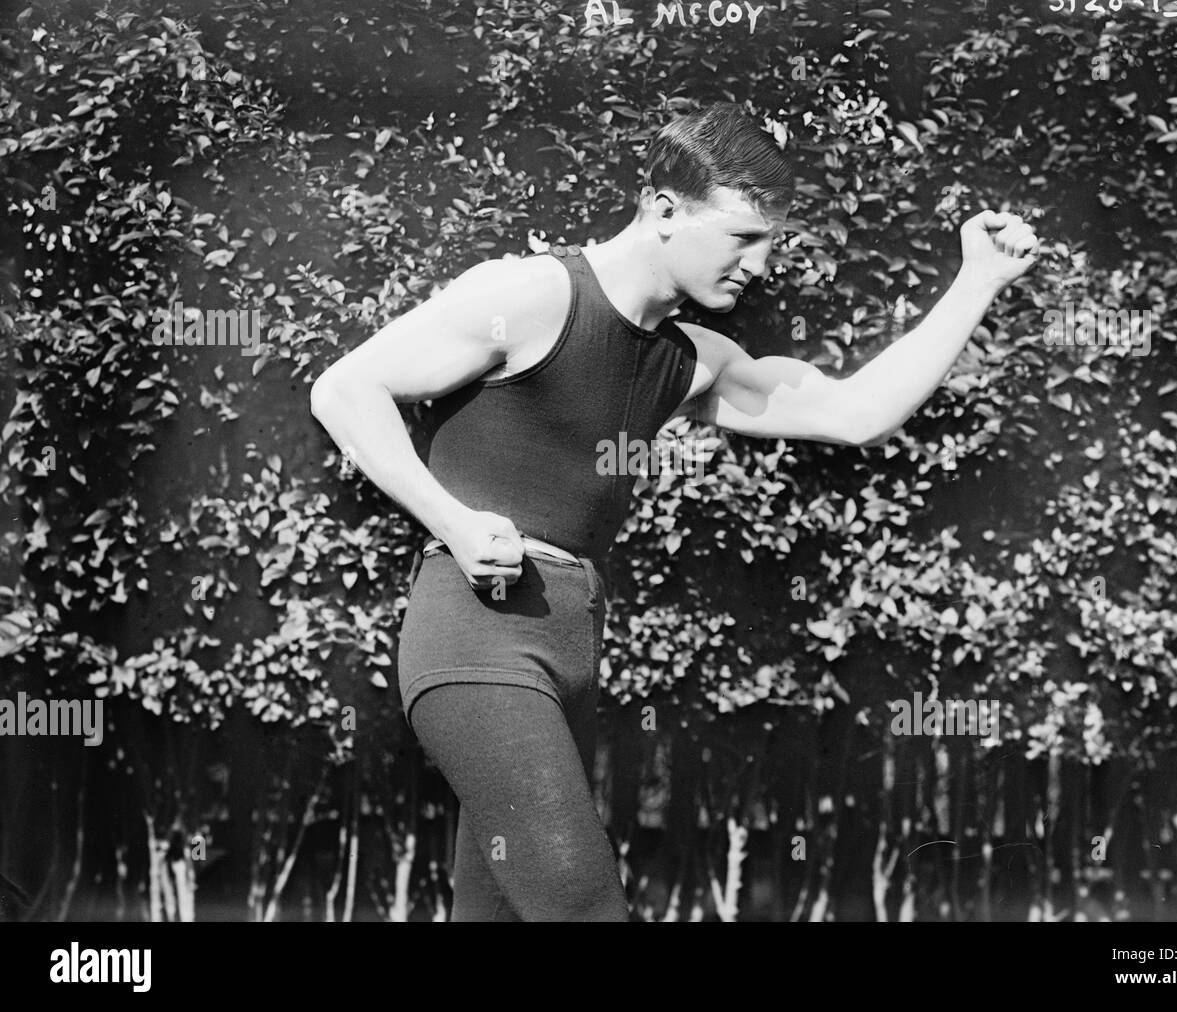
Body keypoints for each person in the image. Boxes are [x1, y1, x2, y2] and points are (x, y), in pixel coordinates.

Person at [309, 101, 1040, 921]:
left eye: (771, 243)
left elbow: (855, 413)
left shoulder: (693, 361)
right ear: (663, 209)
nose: (759, 265)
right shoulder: (532, 294)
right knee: (585, 908)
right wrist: (449, 518)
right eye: (741, 237)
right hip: (478, 641)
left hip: (569, 656)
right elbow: (344, 387)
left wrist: (978, 281)